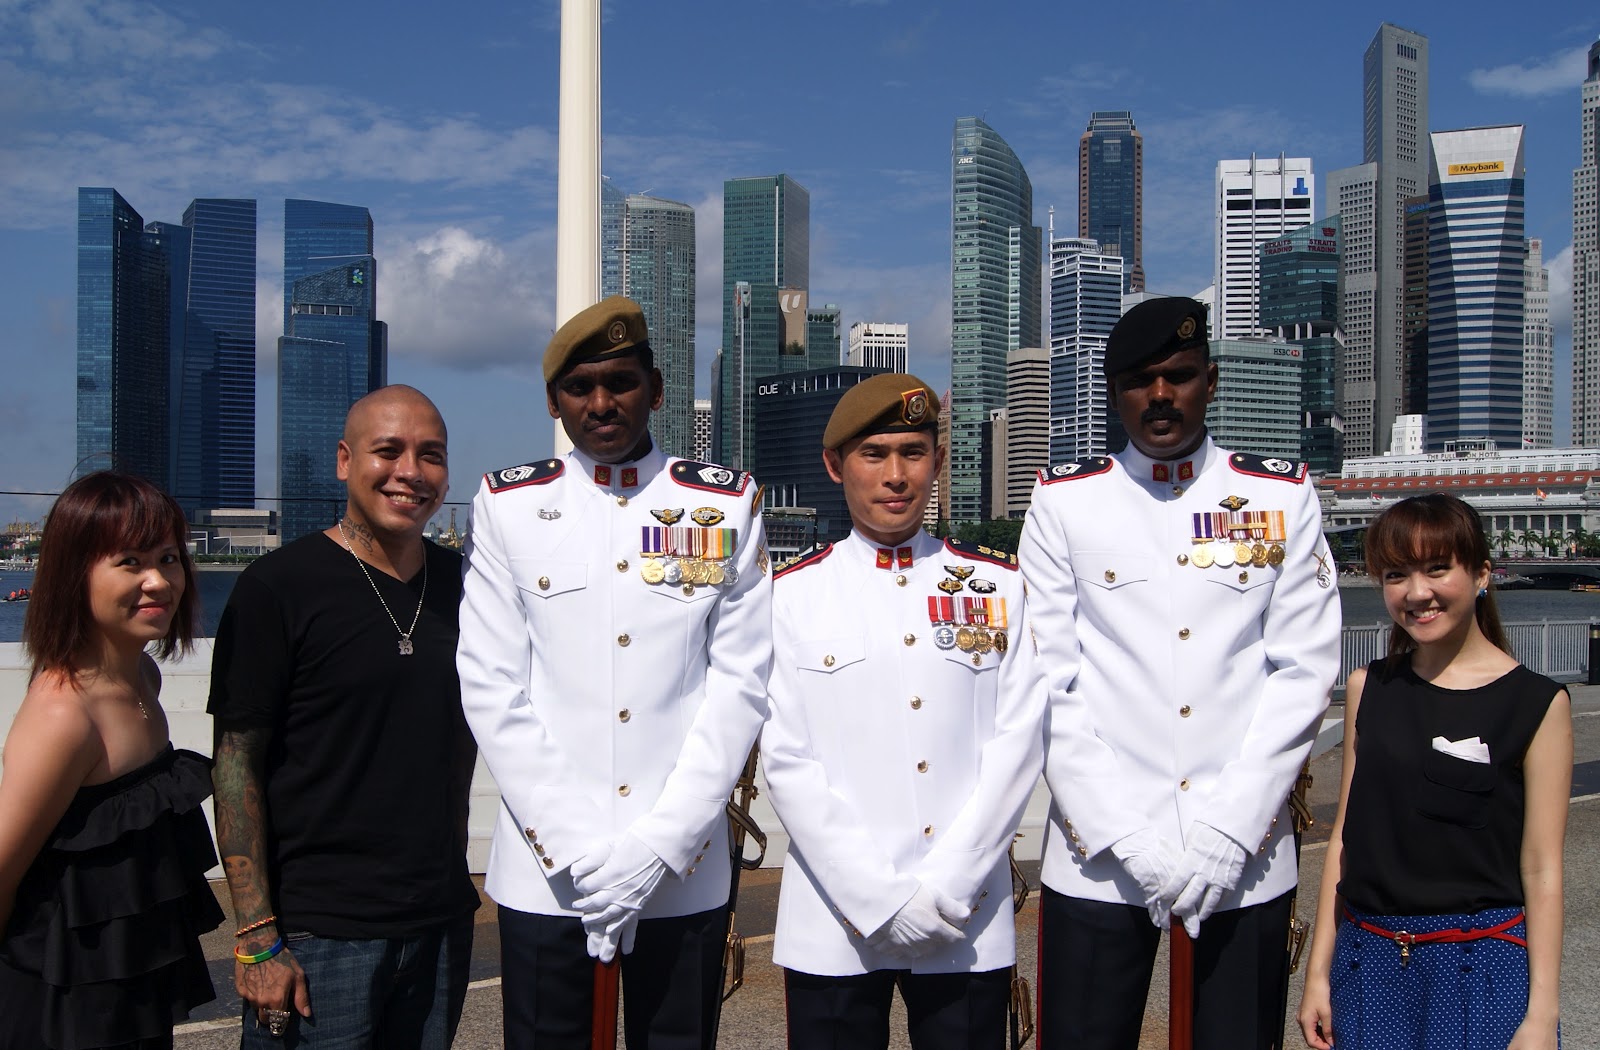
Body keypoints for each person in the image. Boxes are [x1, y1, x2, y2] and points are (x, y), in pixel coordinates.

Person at [1019, 296, 1342, 1050]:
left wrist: (1231, 830)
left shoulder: (1278, 495)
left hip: (1244, 855)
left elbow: (1303, 672)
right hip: (1100, 856)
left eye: (1180, 376)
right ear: (1114, 392)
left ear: (1211, 381)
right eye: (1140, 381)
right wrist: (1124, 835)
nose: (1160, 395)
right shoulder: (1066, 501)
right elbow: (1048, 681)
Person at [457, 295, 773, 1049]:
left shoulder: (723, 504)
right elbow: (492, 685)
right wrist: (574, 847)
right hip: (548, 870)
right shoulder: (508, 505)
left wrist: (660, 845)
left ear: (655, 390)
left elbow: (740, 686)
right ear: (553, 402)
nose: (601, 403)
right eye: (580, 387)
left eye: (621, 382)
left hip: (683, 865)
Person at [762, 374, 1045, 1050]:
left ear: (938, 462)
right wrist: (879, 898)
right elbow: (786, 761)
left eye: (913, 453)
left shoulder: (999, 587)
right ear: (835, 465)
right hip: (835, 916)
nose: (896, 475)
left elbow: (1020, 741)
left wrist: (952, 881)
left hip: (964, 909)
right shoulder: (790, 597)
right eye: (874, 454)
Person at [208, 386, 478, 1048]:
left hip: (439, 922)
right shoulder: (277, 587)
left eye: (431, 454)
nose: (409, 472)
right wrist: (256, 935)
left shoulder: (469, 586)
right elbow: (235, 760)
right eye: (388, 451)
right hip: (315, 933)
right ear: (344, 460)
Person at [1297, 494, 1569, 1050]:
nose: (1416, 593)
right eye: (1396, 575)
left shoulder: (1537, 702)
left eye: (1437, 568)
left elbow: (1542, 867)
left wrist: (1542, 1013)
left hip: (1484, 964)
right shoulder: (1369, 687)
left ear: (1482, 575)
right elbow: (1347, 838)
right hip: (1367, 958)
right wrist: (1318, 972)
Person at [0, 471, 222, 1049]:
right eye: (130, 562)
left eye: (169, 558)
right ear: (75, 574)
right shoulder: (65, 714)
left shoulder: (142, 675)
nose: (160, 581)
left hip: (125, 992)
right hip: (59, 1005)